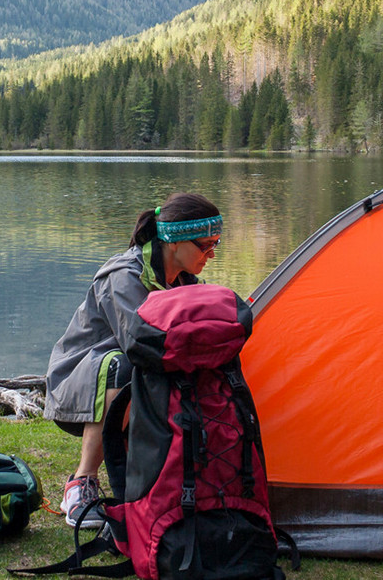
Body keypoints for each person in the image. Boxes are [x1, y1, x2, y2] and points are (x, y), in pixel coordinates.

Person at [43, 193, 223, 528]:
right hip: (77, 386)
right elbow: (139, 343)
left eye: (217, 243)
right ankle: (81, 483)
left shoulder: (184, 280)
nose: (212, 253)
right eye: (205, 245)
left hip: (130, 384)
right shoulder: (124, 276)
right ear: (173, 241)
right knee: (124, 365)